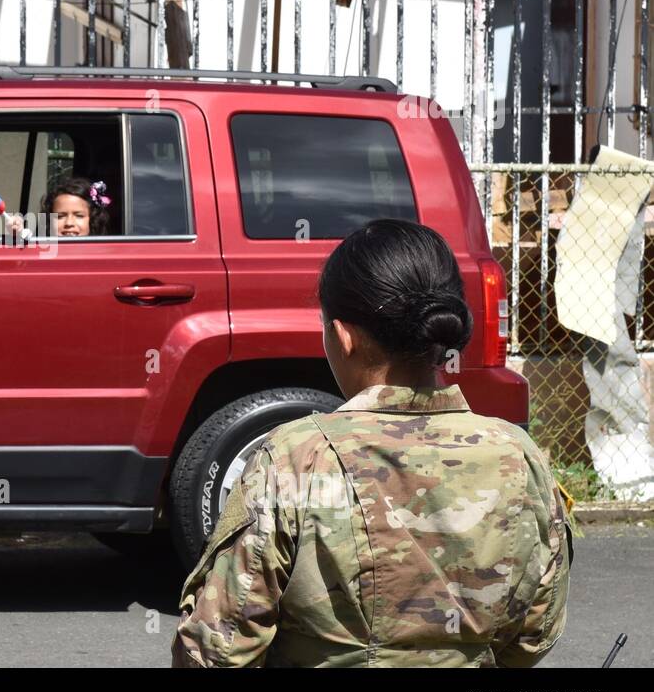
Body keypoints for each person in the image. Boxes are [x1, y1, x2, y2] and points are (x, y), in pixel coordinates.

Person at [173, 218, 572, 668]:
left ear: (343, 337)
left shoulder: (296, 457)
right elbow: (534, 635)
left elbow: (216, 648)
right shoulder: (518, 455)